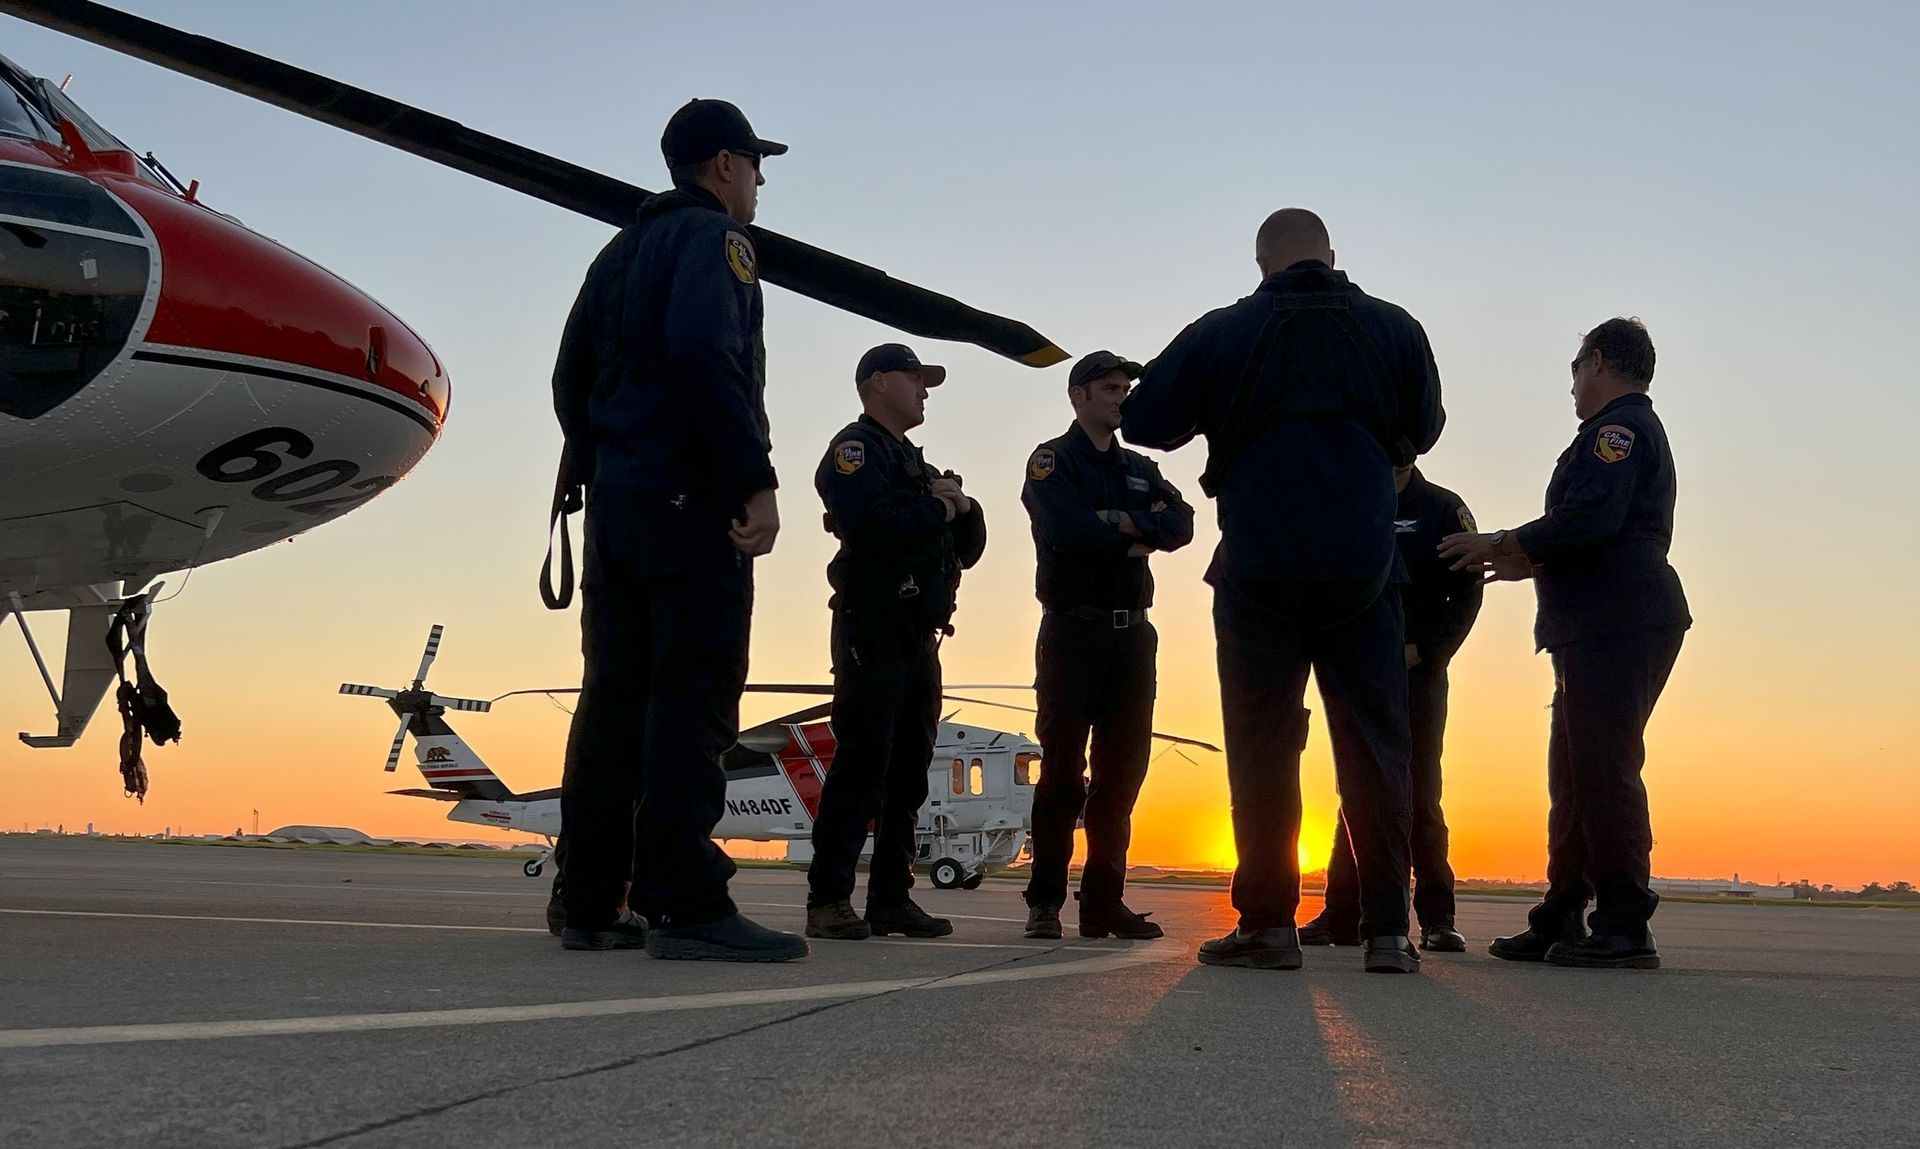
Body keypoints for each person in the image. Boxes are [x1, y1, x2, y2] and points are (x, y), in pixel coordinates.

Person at [1122, 208, 1444, 974]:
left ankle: (1268, 924)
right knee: (1376, 749)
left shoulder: (1223, 331)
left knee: (1264, 747)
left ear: (1262, 262)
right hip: (1365, 574)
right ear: (1331, 255)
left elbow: (1144, 418)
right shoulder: (1394, 328)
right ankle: (1389, 932)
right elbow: (1424, 426)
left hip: (1260, 571)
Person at [546, 98, 806, 962]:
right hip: (691, 506)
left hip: (619, 509)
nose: (762, 184)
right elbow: (707, 355)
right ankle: (685, 899)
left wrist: (602, 458)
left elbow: (567, 379)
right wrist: (751, 479)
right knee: (692, 697)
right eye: (757, 166)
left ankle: (587, 899)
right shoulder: (717, 242)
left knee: (611, 703)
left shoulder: (614, 253)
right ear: (726, 165)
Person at [1440, 318, 1688, 970]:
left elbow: (1591, 520)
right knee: (1574, 776)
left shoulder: (1618, 432)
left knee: (1603, 773)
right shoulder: (1620, 432)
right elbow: (1591, 532)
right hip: (1597, 625)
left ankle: (1624, 923)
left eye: (1574, 370)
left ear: (1597, 362)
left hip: (1618, 622)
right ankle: (1562, 915)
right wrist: (1530, 560)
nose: (1572, 386)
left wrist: (1504, 541)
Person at [805, 344, 987, 940]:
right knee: (862, 762)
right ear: (878, 383)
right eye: (916, 380)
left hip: (920, 633)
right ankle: (829, 899)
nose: (925, 391)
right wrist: (938, 506)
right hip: (873, 625)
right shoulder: (855, 452)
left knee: (909, 770)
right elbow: (873, 527)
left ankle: (890, 898)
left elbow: (967, 547)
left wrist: (959, 507)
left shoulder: (912, 464)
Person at [1020, 350, 1196, 941]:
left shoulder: (1141, 468)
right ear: (1079, 396)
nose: (1121, 396)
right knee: (1064, 774)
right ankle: (1044, 901)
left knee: (1121, 777)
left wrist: (1118, 523)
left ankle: (1102, 903)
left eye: (1125, 387)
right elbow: (1067, 531)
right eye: (1109, 387)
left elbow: (1184, 525)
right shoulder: (1053, 462)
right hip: (1073, 631)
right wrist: (1136, 528)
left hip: (1132, 638)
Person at [1300, 463, 1482, 952]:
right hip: (1358, 672)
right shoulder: (1351, 499)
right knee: (1354, 793)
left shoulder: (1442, 508)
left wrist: (1426, 649)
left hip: (1415, 673)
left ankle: (1438, 917)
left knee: (1418, 790)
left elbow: (1466, 592)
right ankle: (1341, 914)